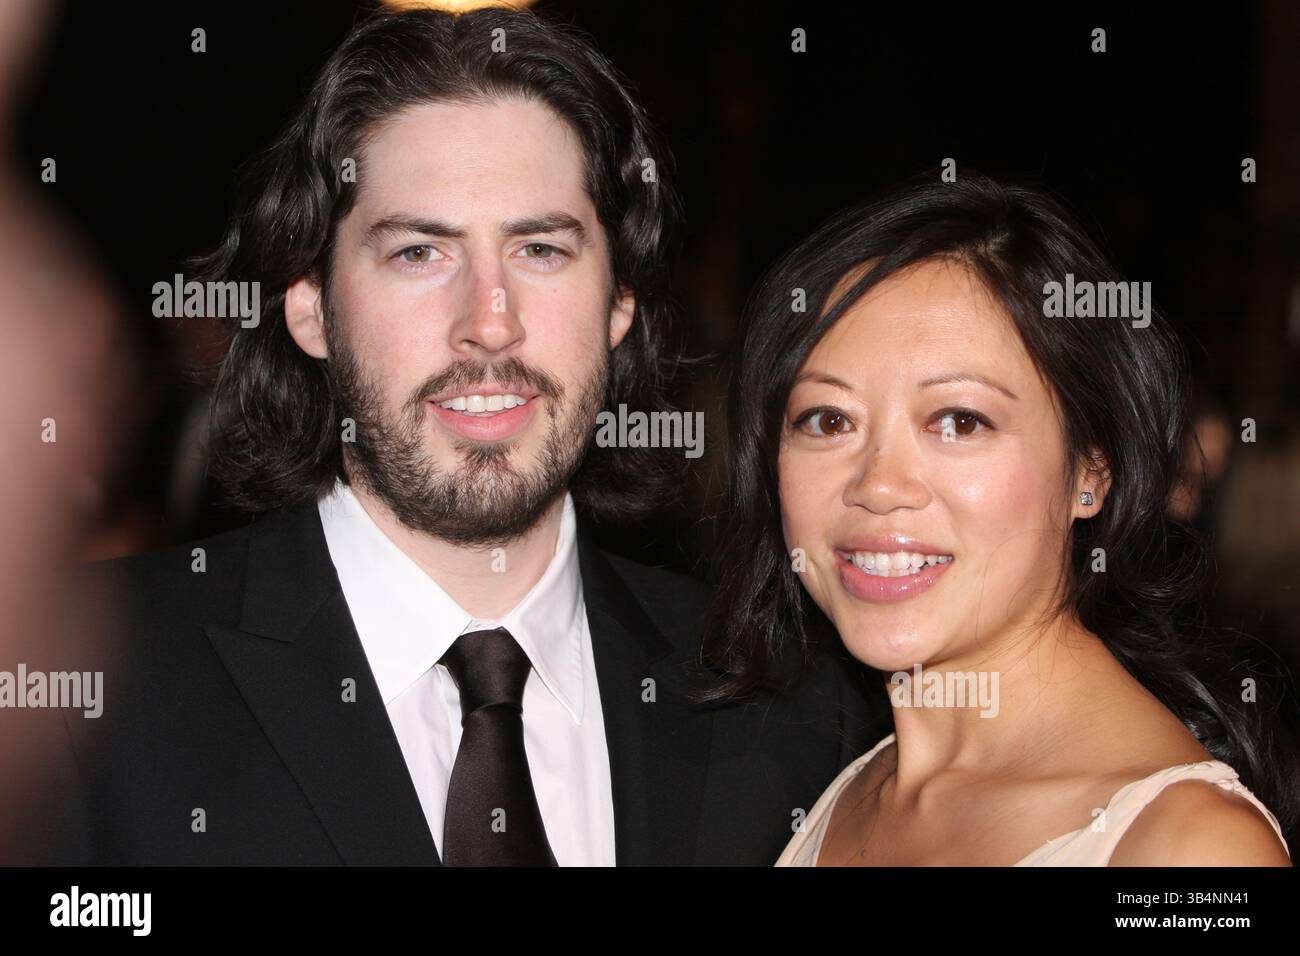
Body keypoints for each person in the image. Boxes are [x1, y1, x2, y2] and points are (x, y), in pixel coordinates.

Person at [43, 7, 876, 867]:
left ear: (619, 303)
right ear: (311, 307)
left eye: (541, 250)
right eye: (418, 254)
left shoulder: (793, 712)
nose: (489, 323)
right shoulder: (80, 688)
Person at [702, 172, 1297, 866]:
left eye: (959, 420)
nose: (879, 485)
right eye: (828, 420)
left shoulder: (1190, 852)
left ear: (1090, 470)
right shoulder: (846, 789)